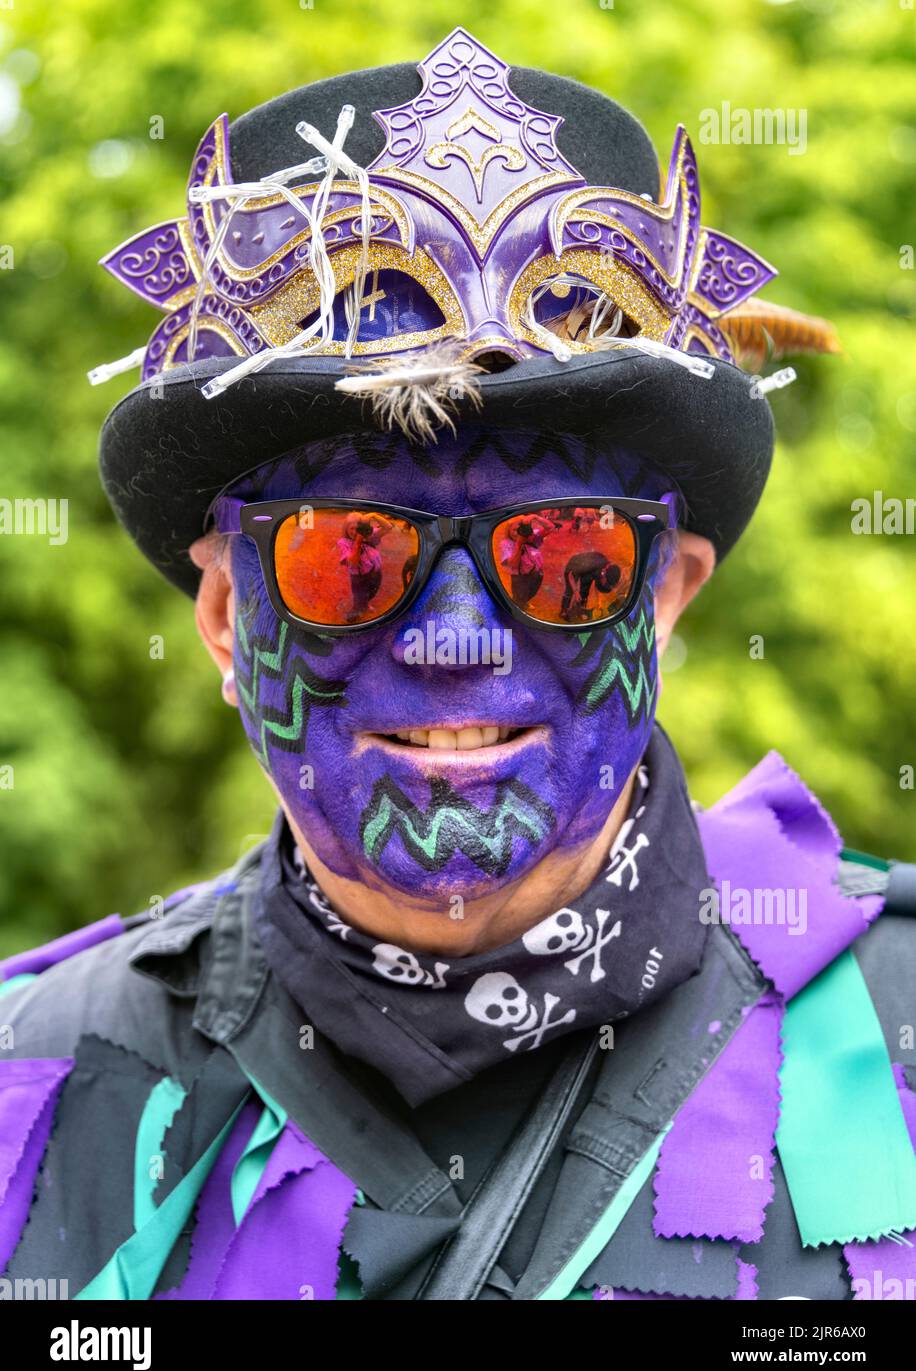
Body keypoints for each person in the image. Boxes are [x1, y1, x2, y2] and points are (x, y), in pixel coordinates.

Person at [1, 28, 914, 1304]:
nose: (452, 637)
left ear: (660, 601)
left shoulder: (894, 1041)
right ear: (222, 618)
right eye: (347, 555)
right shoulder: (30, 1088)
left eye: (561, 557)